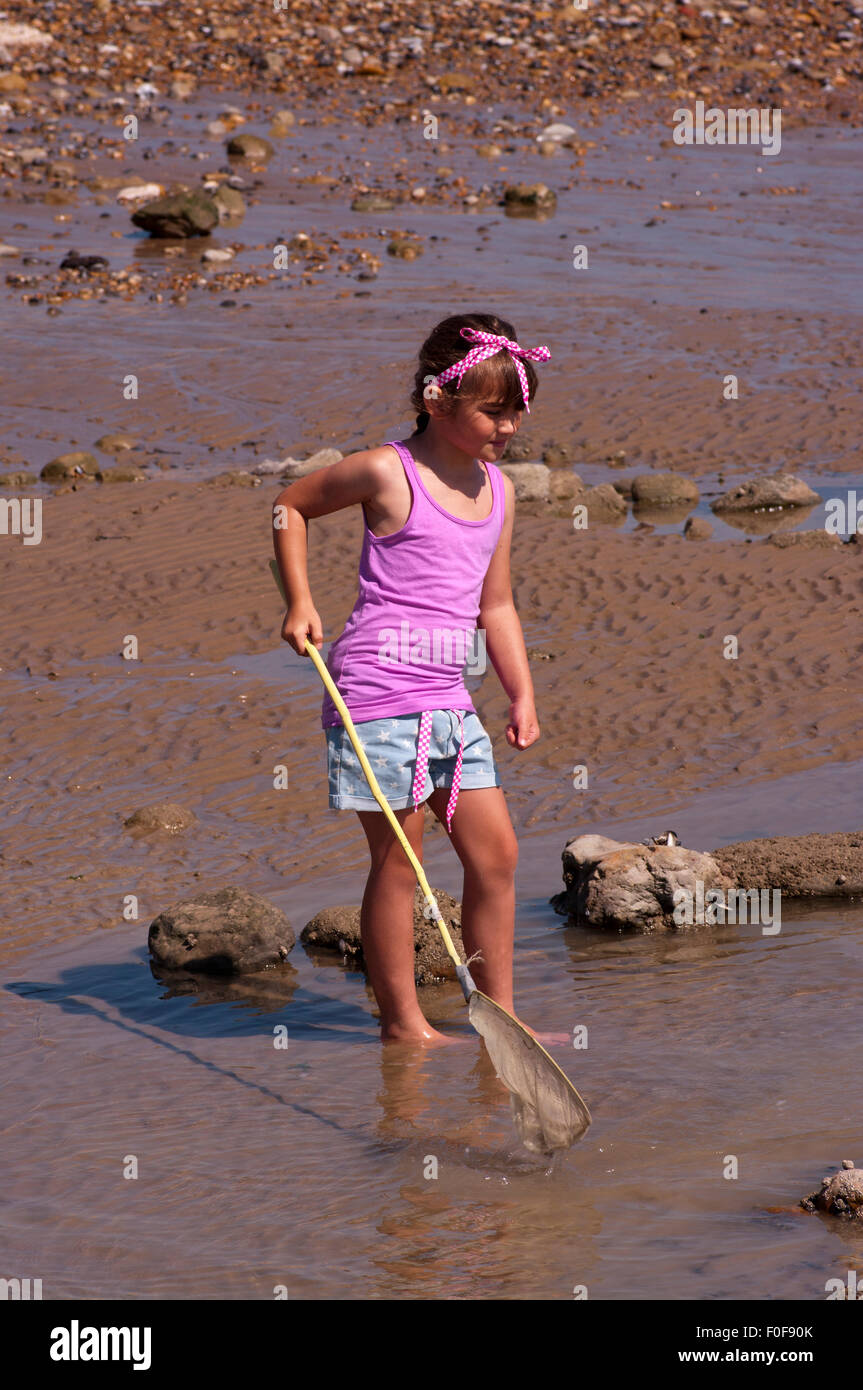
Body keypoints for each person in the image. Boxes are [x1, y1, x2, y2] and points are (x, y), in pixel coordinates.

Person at [272, 312, 550, 1044]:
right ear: (437, 400)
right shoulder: (385, 470)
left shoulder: (499, 491)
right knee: (400, 862)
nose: (508, 427)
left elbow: (496, 603)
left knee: (496, 857)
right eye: (492, 411)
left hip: (451, 700)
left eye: (517, 410)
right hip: (374, 695)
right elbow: (289, 507)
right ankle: (403, 1024)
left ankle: (501, 1018)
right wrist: (300, 601)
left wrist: (519, 692)